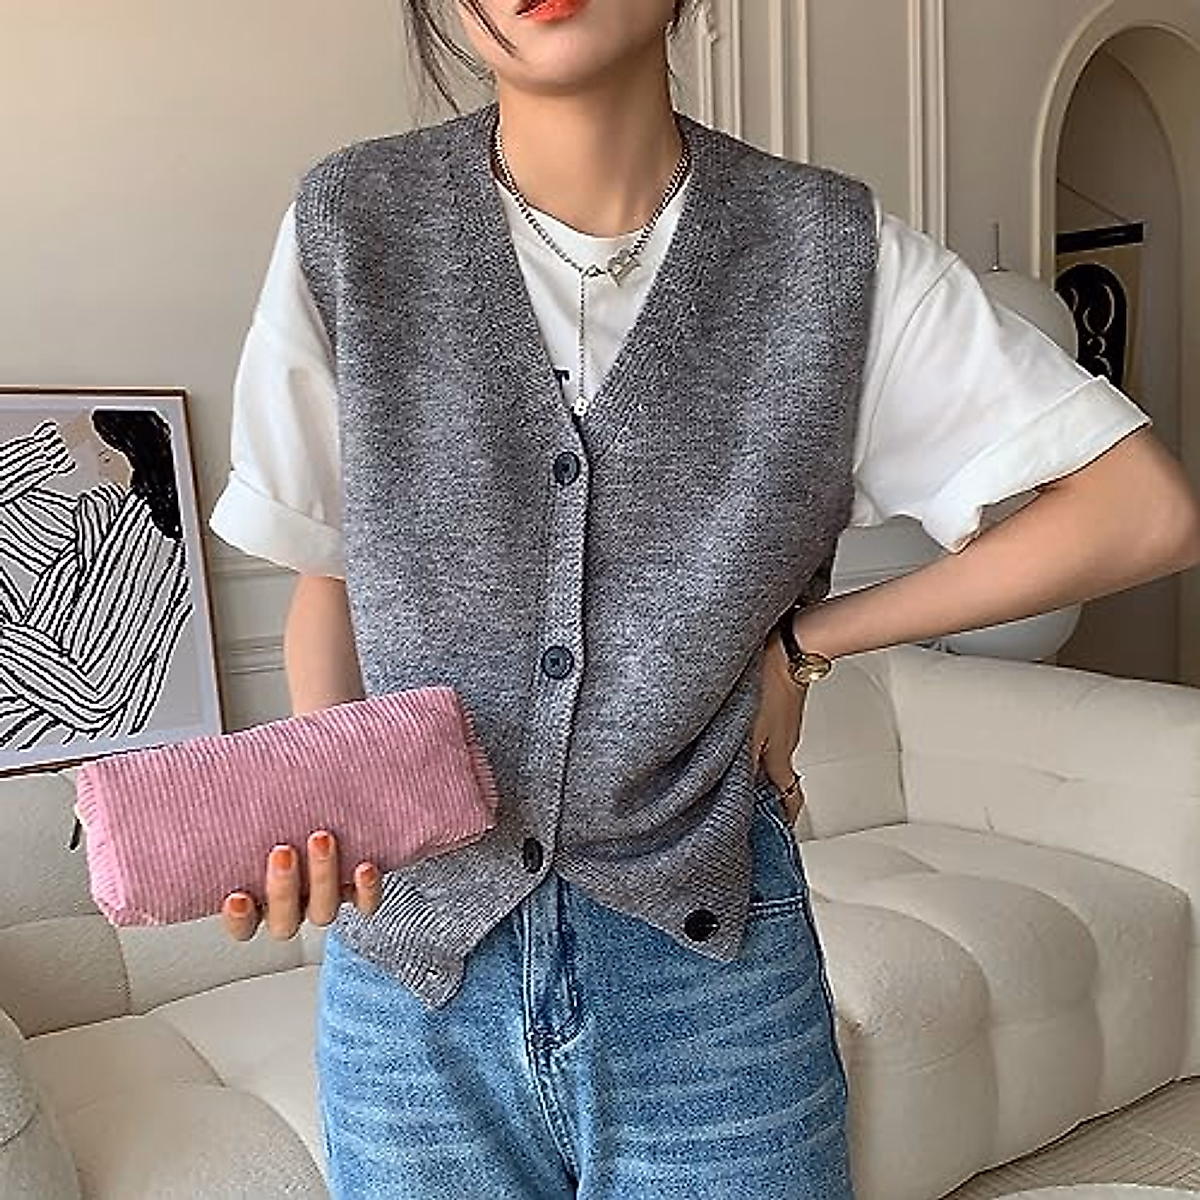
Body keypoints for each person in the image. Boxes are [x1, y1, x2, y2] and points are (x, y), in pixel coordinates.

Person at [208, 2, 1200, 1197]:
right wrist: (329, 795)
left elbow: (1140, 509)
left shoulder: (829, 254)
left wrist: (806, 642)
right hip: (414, 1002)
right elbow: (327, 571)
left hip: (710, 976)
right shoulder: (354, 222)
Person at [0, 410, 190, 751]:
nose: (101, 471)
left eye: (105, 457)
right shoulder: (102, 519)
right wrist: (65, 437)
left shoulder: (151, 541)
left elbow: (92, 696)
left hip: (50, 731)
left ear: (137, 455)